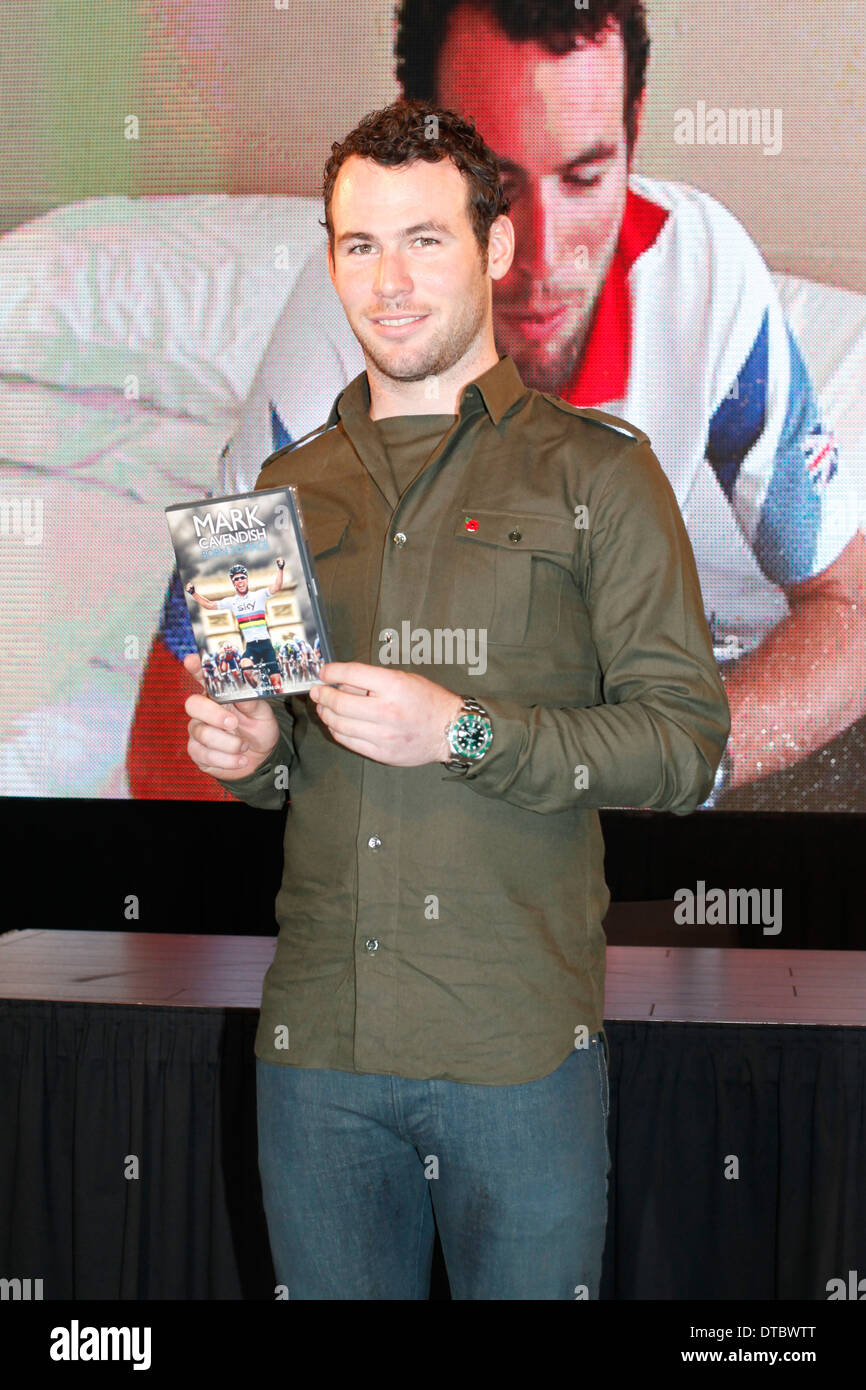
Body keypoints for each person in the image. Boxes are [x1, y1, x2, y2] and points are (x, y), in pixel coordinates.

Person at [183, 99, 730, 1300]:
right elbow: (278, 773)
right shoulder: (278, 487)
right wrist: (248, 750)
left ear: (492, 248)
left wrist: (465, 732)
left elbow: (685, 748)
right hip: (317, 1050)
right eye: (357, 244)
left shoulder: (600, 471)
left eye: (423, 239)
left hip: (514, 1053)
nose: (386, 280)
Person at [133, 0, 864, 807]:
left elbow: (850, 609)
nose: (544, 259)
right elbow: (179, 734)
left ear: (635, 130)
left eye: (586, 176)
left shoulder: (700, 278)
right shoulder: (345, 323)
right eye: (496, 186)